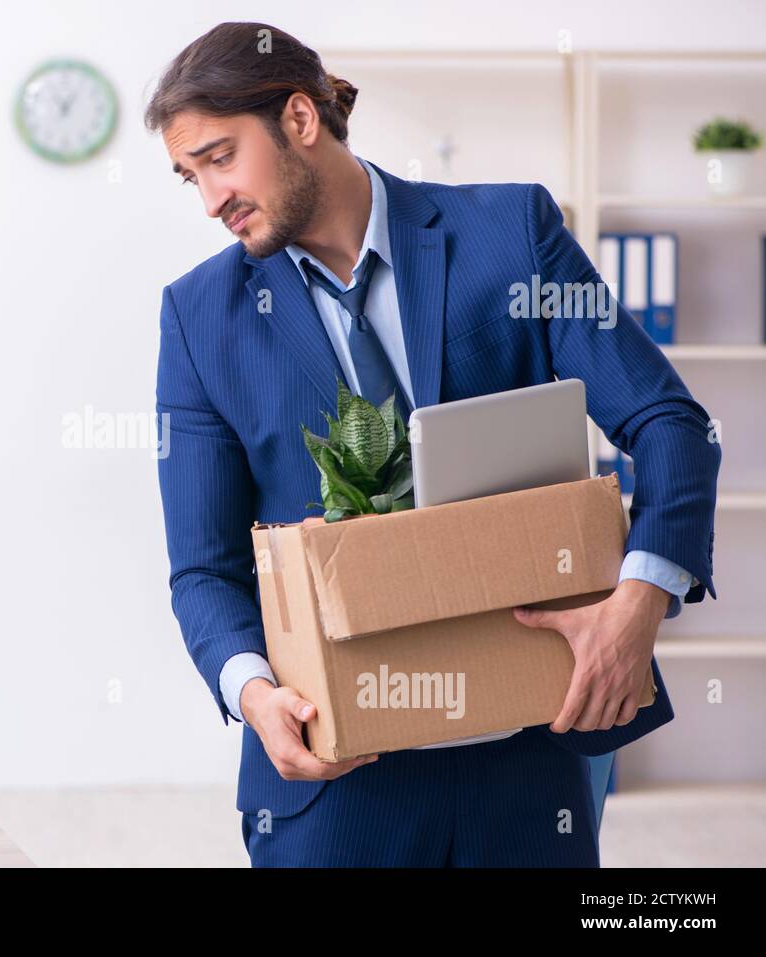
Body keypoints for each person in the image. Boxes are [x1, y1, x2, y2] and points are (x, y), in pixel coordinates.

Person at [146, 22, 719, 867]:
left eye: (220, 157)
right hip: (338, 779)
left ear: (300, 118)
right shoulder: (200, 318)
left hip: (528, 753)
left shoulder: (510, 233)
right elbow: (203, 569)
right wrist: (253, 691)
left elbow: (673, 426)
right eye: (188, 175)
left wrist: (637, 605)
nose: (209, 199)